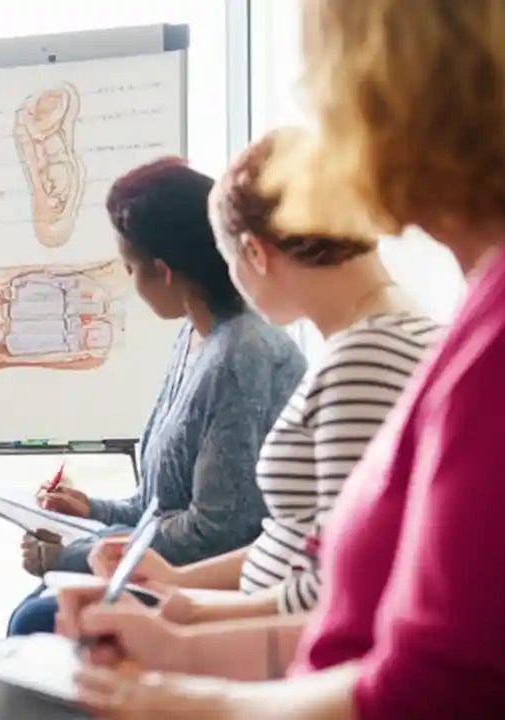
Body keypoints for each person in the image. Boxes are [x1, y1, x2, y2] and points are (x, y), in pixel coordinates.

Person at [45, 0, 505, 717]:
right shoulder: (494, 301)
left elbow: (439, 686)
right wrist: (183, 646)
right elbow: (359, 624)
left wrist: (188, 699)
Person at [82, 127, 443, 626]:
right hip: (261, 620)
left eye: (229, 260)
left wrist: (188, 616)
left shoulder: (365, 358)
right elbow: (297, 540)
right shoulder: (374, 336)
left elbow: (332, 591)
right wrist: (178, 583)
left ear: (253, 253)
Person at [5, 157, 307, 636]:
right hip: (175, 572)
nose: (129, 281)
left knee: (36, 620)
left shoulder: (241, 356)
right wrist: (94, 512)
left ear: (164, 272)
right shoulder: (195, 337)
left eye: (130, 268)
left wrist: (73, 555)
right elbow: (159, 504)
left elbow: (215, 533)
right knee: (36, 611)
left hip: (218, 588)